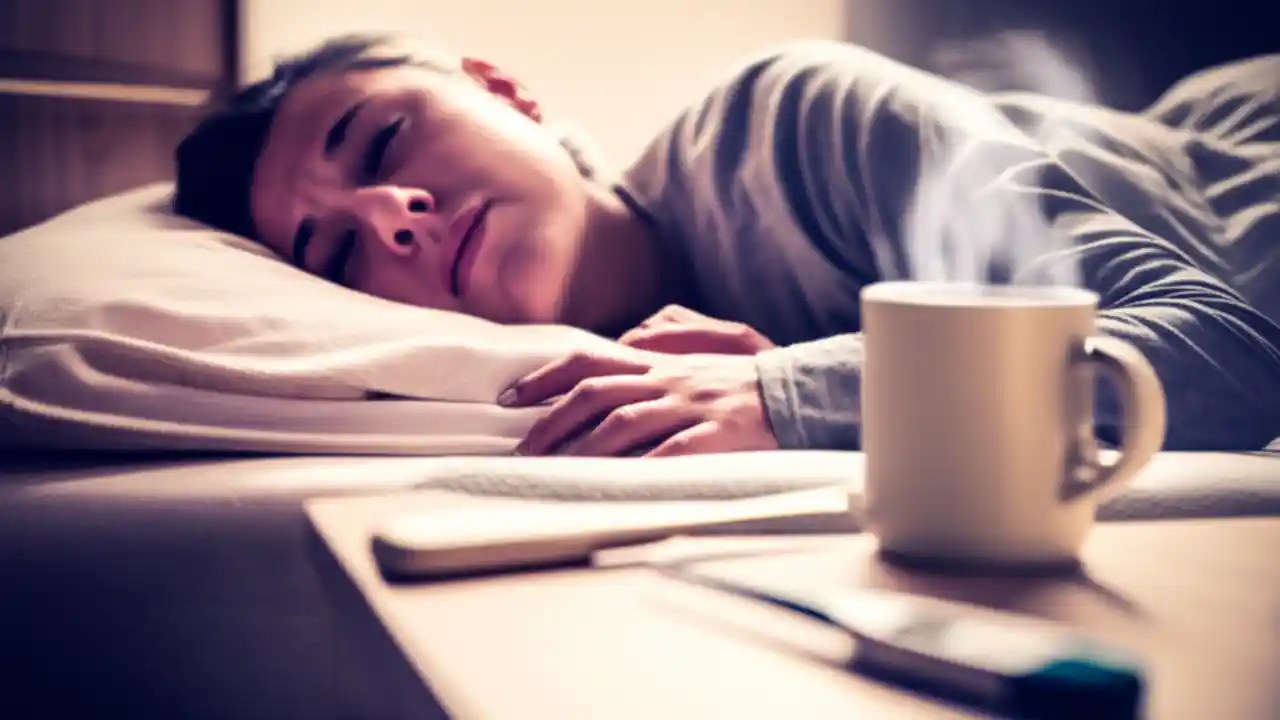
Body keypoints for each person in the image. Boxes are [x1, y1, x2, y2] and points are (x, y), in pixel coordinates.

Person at [173, 35, 1280, 456]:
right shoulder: (583, 394)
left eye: (381, 142)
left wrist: (784, 391)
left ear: (501, 87)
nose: (391, 218)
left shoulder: (795, 122)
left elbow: (1229, 355)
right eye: (334, 257)